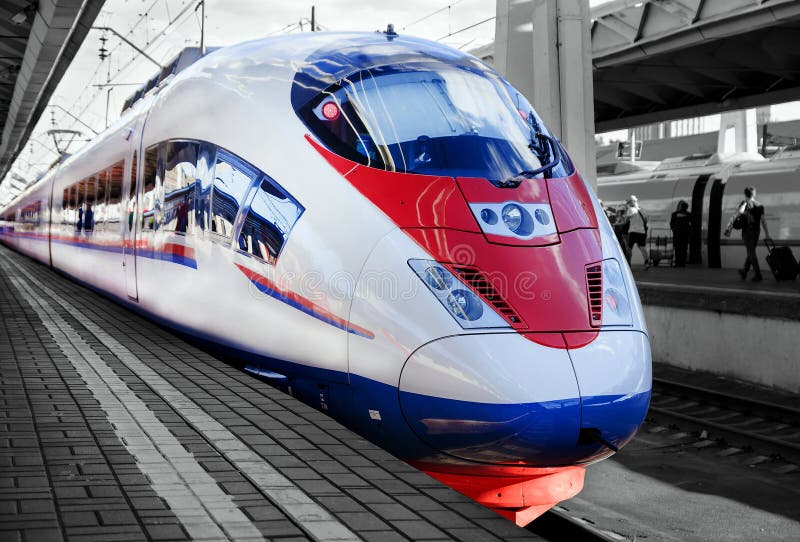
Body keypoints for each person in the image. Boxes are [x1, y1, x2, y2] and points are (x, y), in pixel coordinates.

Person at [724, 185, 770, 282]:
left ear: (745, 194)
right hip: (757, 231)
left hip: (747, 232)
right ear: (754, 193)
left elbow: (740, 212)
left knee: (751, 253)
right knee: (751, 252)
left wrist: (746, 213)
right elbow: (763, 220)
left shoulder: (745, 202)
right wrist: (767, 234)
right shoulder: (760, 205)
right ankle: (744, 271)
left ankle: (758, 274)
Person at [624, 195, 649, 268]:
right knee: (643, 248)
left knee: (629, 248)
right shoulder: (642, 210)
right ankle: (646, 262)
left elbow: (626, 221)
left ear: (631, 202)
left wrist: (617, 224)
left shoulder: (631, 209)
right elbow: (646, 221)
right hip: (642, 232)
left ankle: (628, 264)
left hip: (633, 232)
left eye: (628, 202)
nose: (628, 203)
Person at [669, 200, 692, 267]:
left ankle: (677, 263)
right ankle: (682, 263)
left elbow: (671, 223)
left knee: (677, 249)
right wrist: (689, 231)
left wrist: (674, 230)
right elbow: (691, 224)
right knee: (684, 249)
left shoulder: (675, 214)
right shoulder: (688, 215)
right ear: (686, 208)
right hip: (685, 234)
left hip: (677, 234)